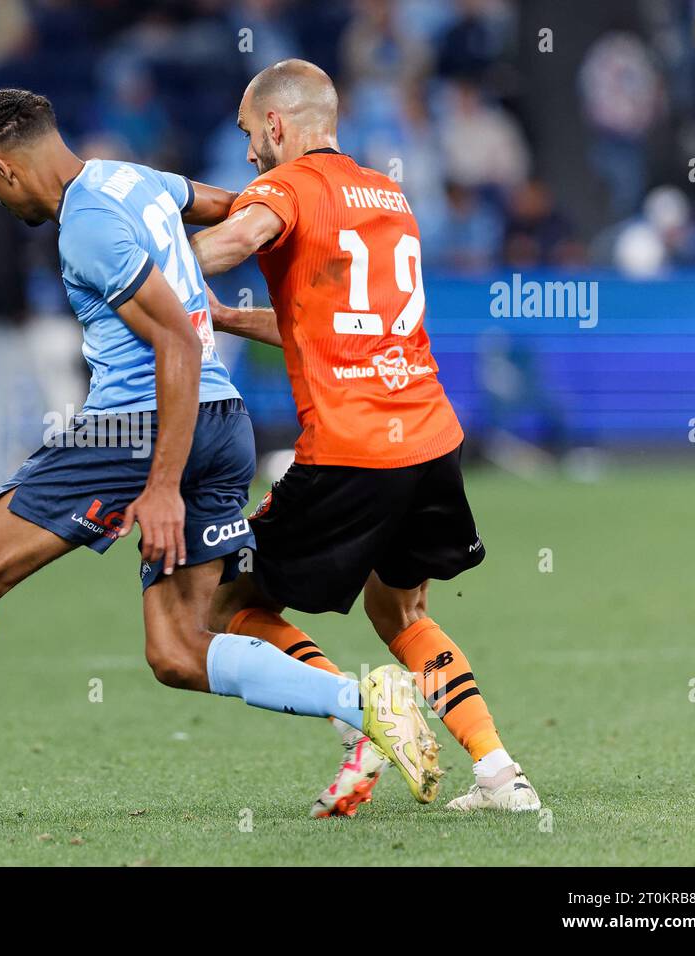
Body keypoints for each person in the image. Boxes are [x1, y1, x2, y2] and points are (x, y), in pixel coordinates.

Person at [0, 88, 439, 831]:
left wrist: (160, 486)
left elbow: (175, 340)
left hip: (137, 429)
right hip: (222, 423)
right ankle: (366, 703)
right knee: (177, 649)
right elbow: (236, 206)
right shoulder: (132, 179)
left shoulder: (86, 227)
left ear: (3, 169)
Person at [191, 60, 540, 814]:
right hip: (430, 441)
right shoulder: (387, 192)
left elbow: (235, 238)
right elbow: (332, 328)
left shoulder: (283, 188)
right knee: (400, 612)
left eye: (252, 134)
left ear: (278, 126)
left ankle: (361, 710)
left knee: (222, 605)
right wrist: (220, 318)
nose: (250, 153)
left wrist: (145, 273)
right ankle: (499, 774)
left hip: (352, 449)